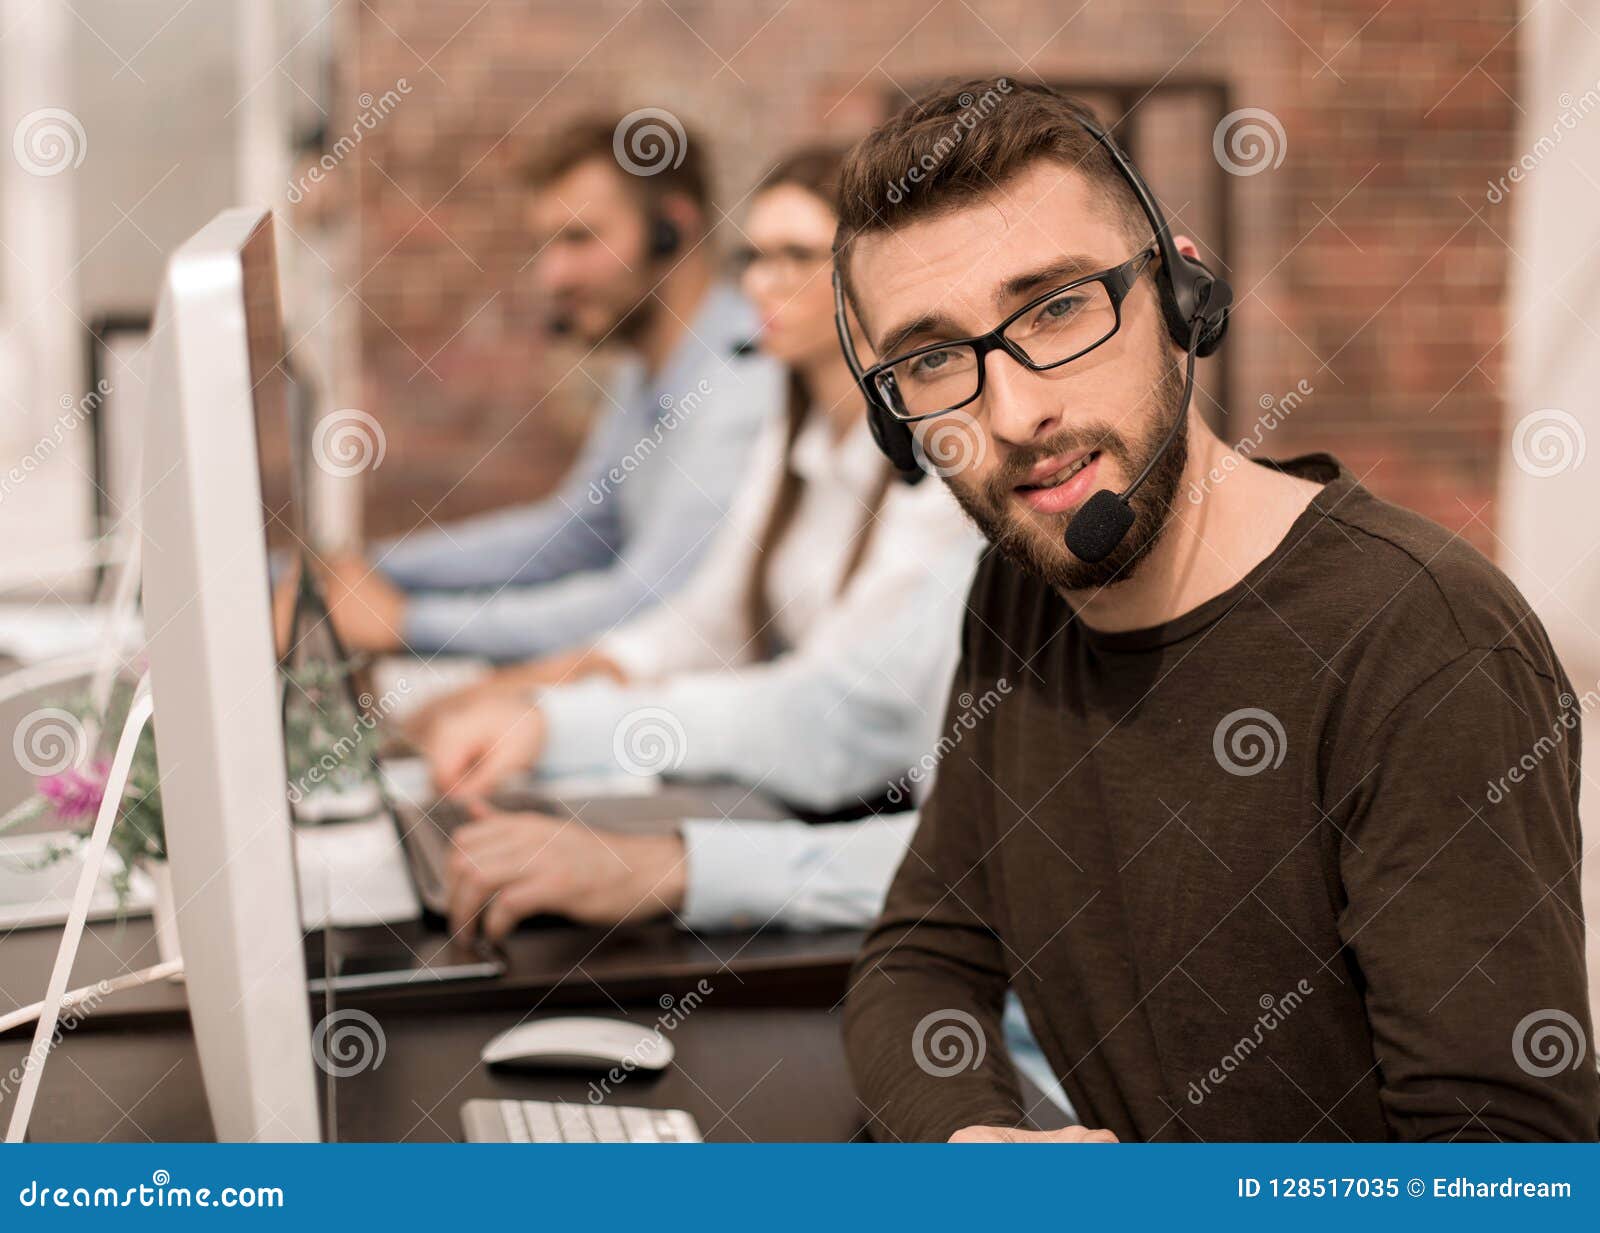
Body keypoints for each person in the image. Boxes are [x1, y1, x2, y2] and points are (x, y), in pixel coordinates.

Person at [834, 81, 1599, 1142]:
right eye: (932, 361)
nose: (1014, 415)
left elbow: (1510, 1177)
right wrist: (970, 1145)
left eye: (1057, 306)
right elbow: (921, 959)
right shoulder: (1022, 587)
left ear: (1180, 290)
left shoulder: (1423, 643)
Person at [412, 146, 980, 815]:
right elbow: (711, 619)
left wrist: (554, 723)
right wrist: (541, 688)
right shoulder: (791, 430)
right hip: (786, 778)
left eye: (796, 256)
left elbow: (821, 705)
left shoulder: (938, 464)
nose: (761, 284)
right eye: (753, 258)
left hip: (870, 808)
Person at [313, 114, 781, 661]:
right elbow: (575, 535)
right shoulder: (648, 369)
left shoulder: (740, 380)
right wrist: (368, 569)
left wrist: (403, 623)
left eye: (580, 238)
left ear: (672, 228)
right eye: (547, 245)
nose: (552, 276)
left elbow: (647, 605)